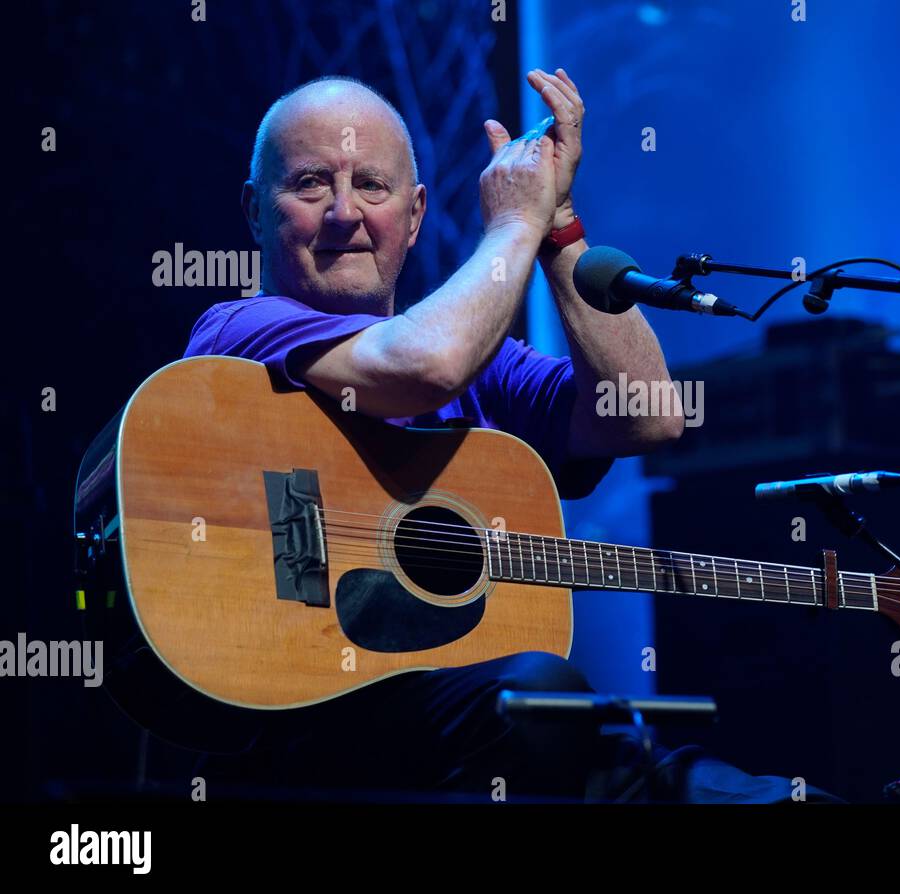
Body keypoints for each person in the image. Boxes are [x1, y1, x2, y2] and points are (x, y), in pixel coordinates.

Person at [179, 72, 839, 803]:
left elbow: (648, 413)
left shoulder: (480, 361)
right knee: (545, 698)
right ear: (254, 210)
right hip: (301, 721)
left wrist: (557, 224)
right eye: (309, 184)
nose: (345, 213)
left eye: (373, 185)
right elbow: (422, 367)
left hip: (478, 735)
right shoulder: (237, 332)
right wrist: (511, 228)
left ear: (417, 212)